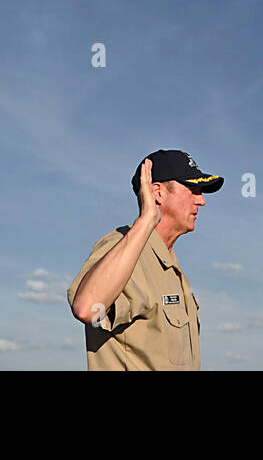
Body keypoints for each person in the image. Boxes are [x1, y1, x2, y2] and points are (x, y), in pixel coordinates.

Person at [67, 149, 223, 370]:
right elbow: (87, 308)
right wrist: (147, 218)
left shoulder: (169, 265)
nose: (201, 200)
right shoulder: (123, 247)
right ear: (157, 193)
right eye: (192, 189)